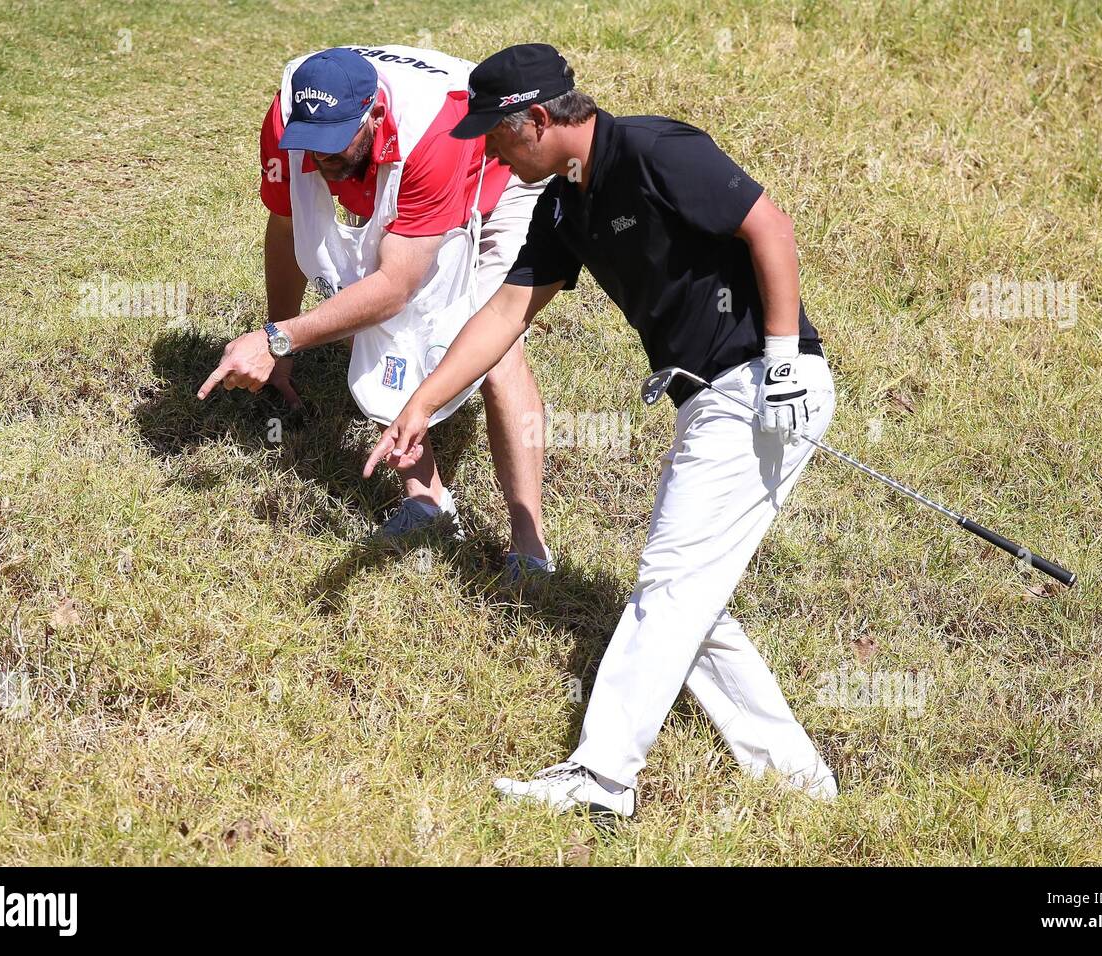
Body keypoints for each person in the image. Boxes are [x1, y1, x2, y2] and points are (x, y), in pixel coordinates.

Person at [364, 44, 839, 817]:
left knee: (668, 583)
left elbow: (770, 228)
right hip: (708, 398)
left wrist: (783, 358)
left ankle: (602, 778)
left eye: (494, 133)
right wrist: (420, 404)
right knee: (693, 601)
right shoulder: (561, 204)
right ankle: (800, 784)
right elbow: (507, 312)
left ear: (539, 119)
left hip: (761, 384)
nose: (485, 149)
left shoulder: (655, 149)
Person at [198, 45, 553, 577]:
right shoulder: (289, 116)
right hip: (405, 189)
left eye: (336, 146)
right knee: (359, 319)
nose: (321, 162)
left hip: (495, 182)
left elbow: (395, 288)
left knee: (493, 347)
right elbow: (287, 224)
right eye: (311, 147)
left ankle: (530, 545)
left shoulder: (435, 129)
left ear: (376, 117)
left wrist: (277, 337)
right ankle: (427, 501)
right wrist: (285, 350)